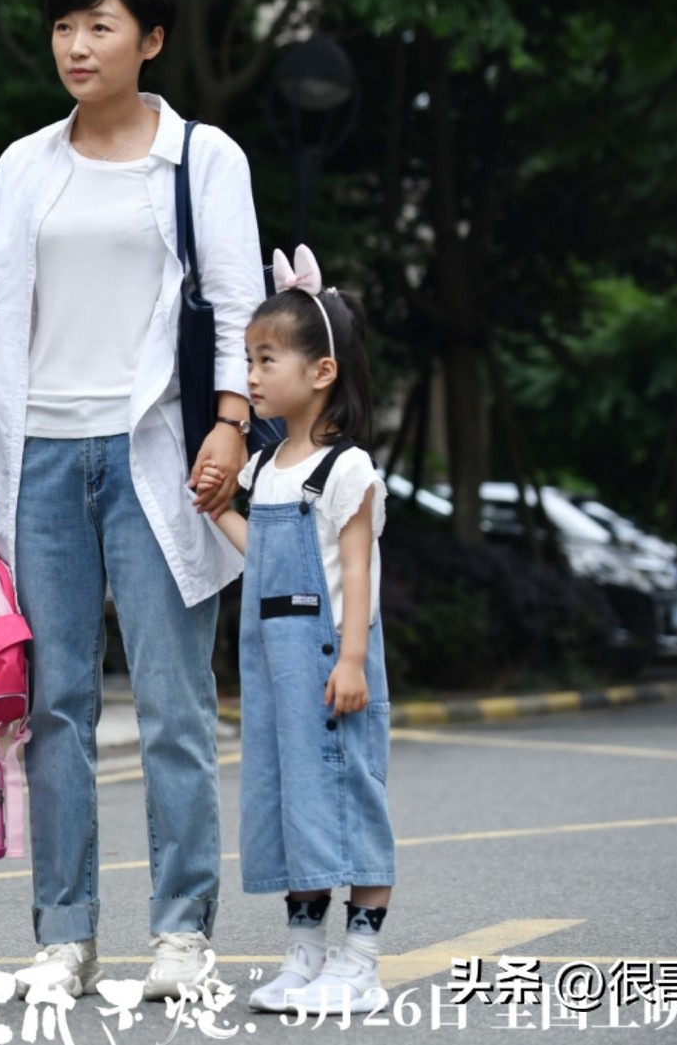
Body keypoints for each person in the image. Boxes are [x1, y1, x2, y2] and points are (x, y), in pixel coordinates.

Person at [0, 0, 264, 1001]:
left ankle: (182, 932)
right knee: (54, 705)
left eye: (98, 26)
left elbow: (238, 308)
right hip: (38, 457)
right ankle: (64, 934)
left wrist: (229, 425)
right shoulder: (24, 164)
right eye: (62, 28)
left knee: (175, 705)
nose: (76, 47)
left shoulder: (201, 160)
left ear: (151, 39)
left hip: (157, 456)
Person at [199, 246, 396, 1016]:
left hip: (331, 662)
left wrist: (351, 659)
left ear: (321, 372)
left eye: (266, 358)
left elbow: (356, 571)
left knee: (350, 797)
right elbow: (268, 560)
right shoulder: (266, 462)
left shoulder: (346, 469)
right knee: (291, 803)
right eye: (249, 358)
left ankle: (363, 957)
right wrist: (221, 513)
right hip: (276, 666)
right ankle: (305, 951)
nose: (251, 375)